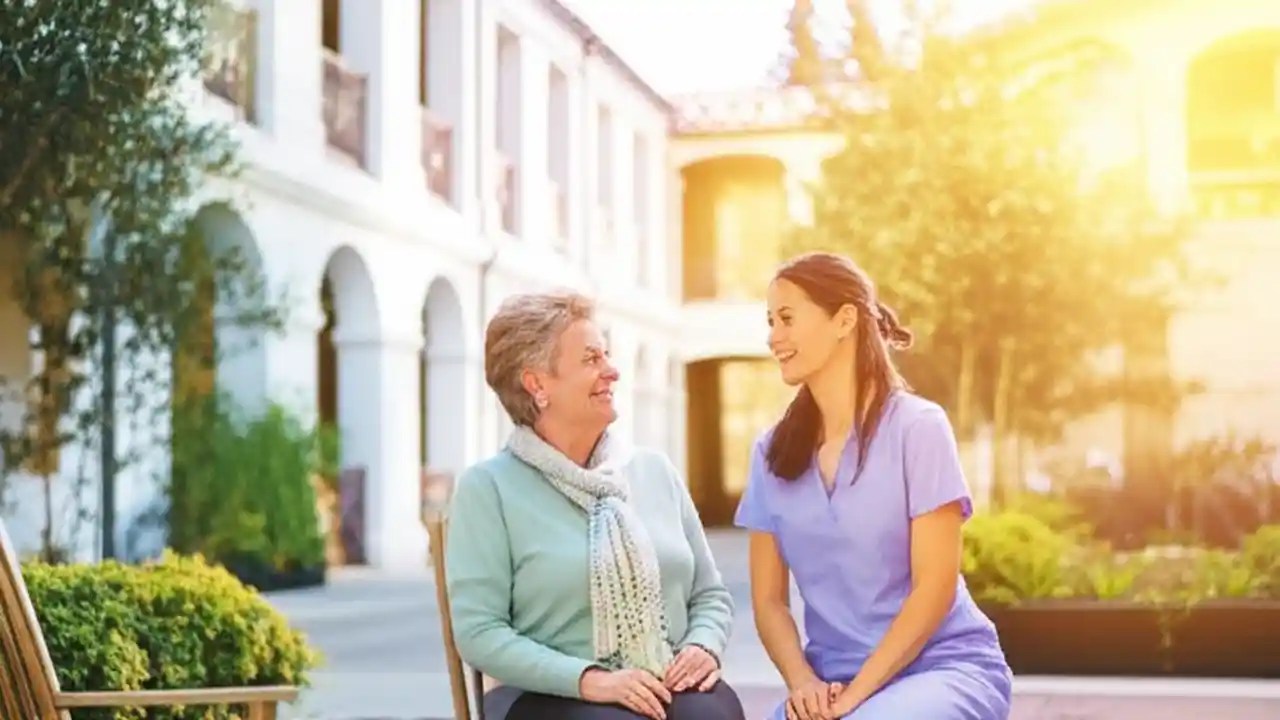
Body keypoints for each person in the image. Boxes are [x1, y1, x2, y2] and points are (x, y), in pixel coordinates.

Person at [734, 252, 1013, 720]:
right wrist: (803, 684)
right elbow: (769, 601)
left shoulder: (918, 429)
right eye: (769, 321)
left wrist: (857, 696)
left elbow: (935, 588)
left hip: (941, 669)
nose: (772, 337)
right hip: (831, 683)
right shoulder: (770, 453)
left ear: (844, 320)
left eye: (786, 318)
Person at [446, 290, 745, 720]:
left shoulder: (653, 471)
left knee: (713, 714)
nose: (612, 371)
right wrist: (591, 680)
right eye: (591, 360)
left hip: (663, 678)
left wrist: (702, 645)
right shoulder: (489, 488)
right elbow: (480, 632)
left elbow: (710, 595)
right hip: (546, 693)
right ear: (537, 384)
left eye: (606, 355)